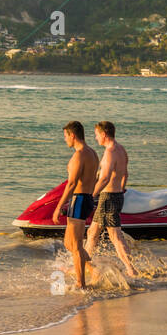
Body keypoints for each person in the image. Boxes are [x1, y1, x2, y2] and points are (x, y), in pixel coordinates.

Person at [86, 121, 137, 276]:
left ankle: (131, 269)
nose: (95, 138)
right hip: (115, 196)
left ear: (104, 134)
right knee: (93, 233)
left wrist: (91, 195)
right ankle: (83, 264)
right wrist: (121, 191)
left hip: (108, 198)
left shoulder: (110, 152)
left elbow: (105, 178)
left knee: (115, 236)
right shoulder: (121, 149)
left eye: (96, 135)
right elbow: (125, 174)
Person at [54, 121, 100, 289]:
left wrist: (59, 206)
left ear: (72, 135)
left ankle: (81, 283)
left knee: (76, 246)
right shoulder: (93, 153)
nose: (65, 139)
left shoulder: (79, 155)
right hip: (87, 198)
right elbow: (94, 178)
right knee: (70, 244)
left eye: (65, 136)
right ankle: (93, 270)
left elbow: (72, 183)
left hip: (79, 200)